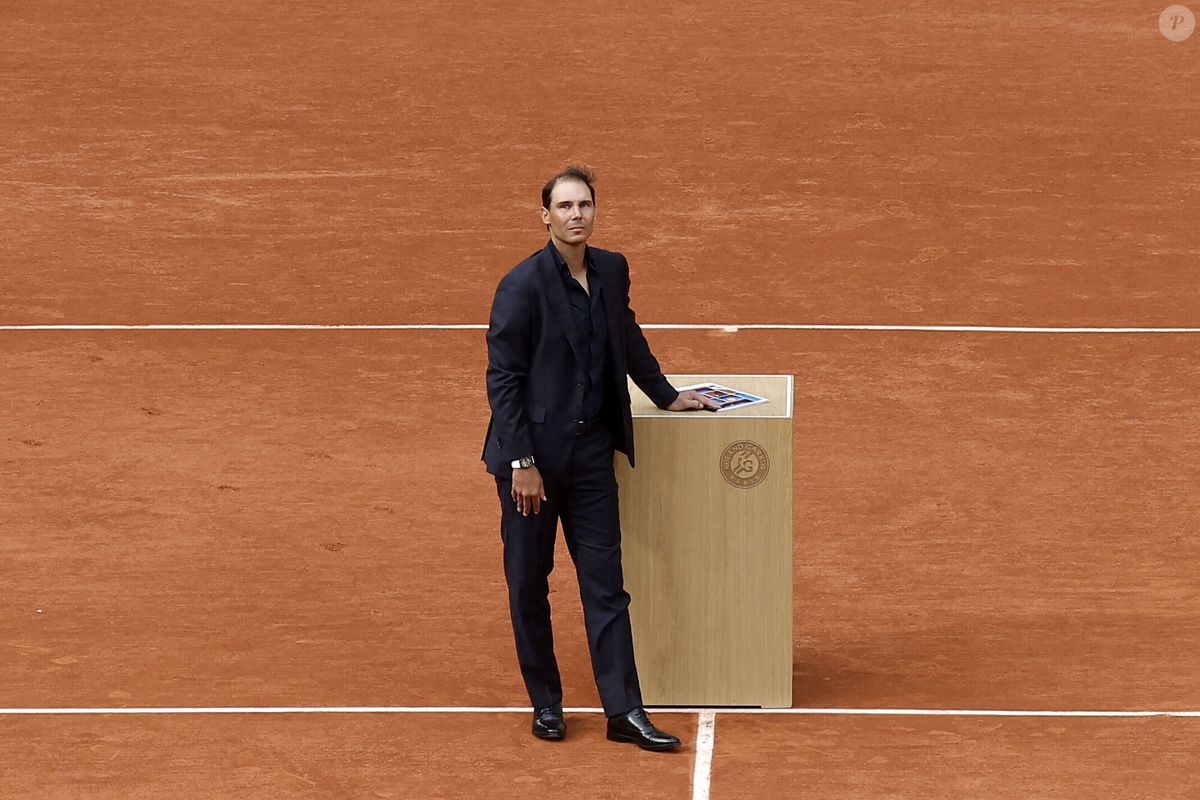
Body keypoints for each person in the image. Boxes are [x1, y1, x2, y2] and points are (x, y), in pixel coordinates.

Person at [482, 166, 717, 751]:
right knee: (527, 585)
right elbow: (504, 380)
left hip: (590, 456)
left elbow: (626, 334)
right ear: (545, 216)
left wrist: (666, 394)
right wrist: (522, 463)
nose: (576, 215)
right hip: (533, 464)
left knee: (606, 586)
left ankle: (624, 711)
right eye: (564, 206)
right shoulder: (521, 285)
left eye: (584, 204)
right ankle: (547, 704)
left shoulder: (611, 269)